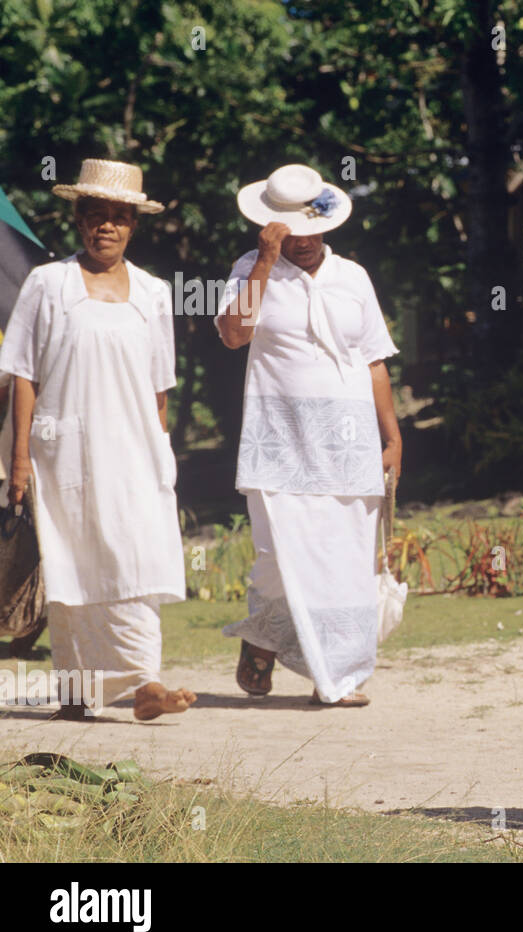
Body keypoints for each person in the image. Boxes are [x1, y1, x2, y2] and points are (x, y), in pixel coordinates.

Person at [0, 158, 194, 720]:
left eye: (118, 217)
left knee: (134, 558)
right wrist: (18, 460)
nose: (106, 227)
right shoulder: (48, 283)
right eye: (95, 215)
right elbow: (24, 374)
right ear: (79, 220)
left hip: (134, 451)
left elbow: (160, 390)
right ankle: (80, 695)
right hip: (64, 451)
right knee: (74, 565)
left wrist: (162, 451)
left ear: (134, 226)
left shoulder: (154, 294)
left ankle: (143, 682)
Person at [216, 164, 400, 708]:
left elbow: (374, 362)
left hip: (349, 440)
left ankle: (337, 675)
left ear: (325, 222)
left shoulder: (354, 277)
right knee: (278, 552)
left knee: (344, 558)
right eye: (289, 233)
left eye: (310, 230)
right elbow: (232, 335)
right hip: (278, 437)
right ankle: (262, 639)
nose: (303, 241)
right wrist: (267, 263)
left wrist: (391, 436)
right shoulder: (251, 268)